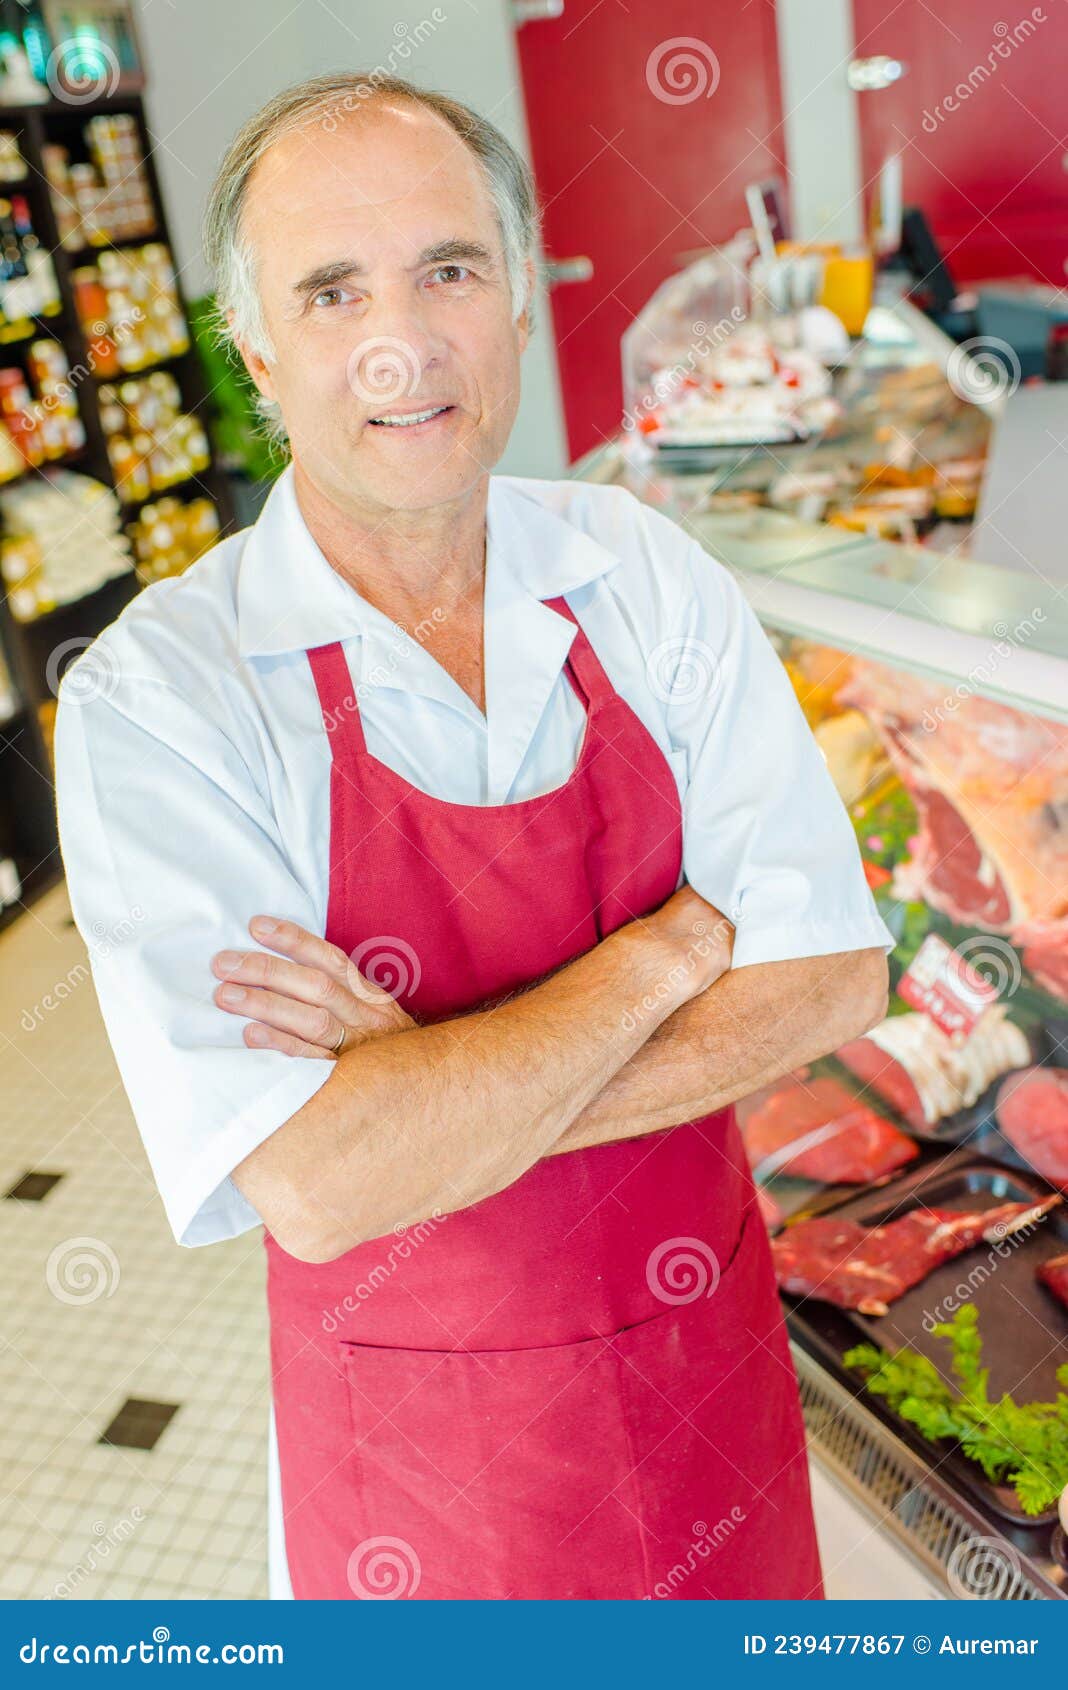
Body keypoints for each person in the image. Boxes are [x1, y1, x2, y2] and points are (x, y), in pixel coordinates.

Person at [54, 72, 893, 1601]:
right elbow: (318, 1186)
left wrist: (430, 1097)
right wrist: (671, 949)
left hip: (713, 1391)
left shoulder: (640, 572)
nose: (404, 340)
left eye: (450, 267)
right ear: (255, 350)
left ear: (517, 295)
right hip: (424, 1489)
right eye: (330, 289)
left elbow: (832, 975)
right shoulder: (159, 699)